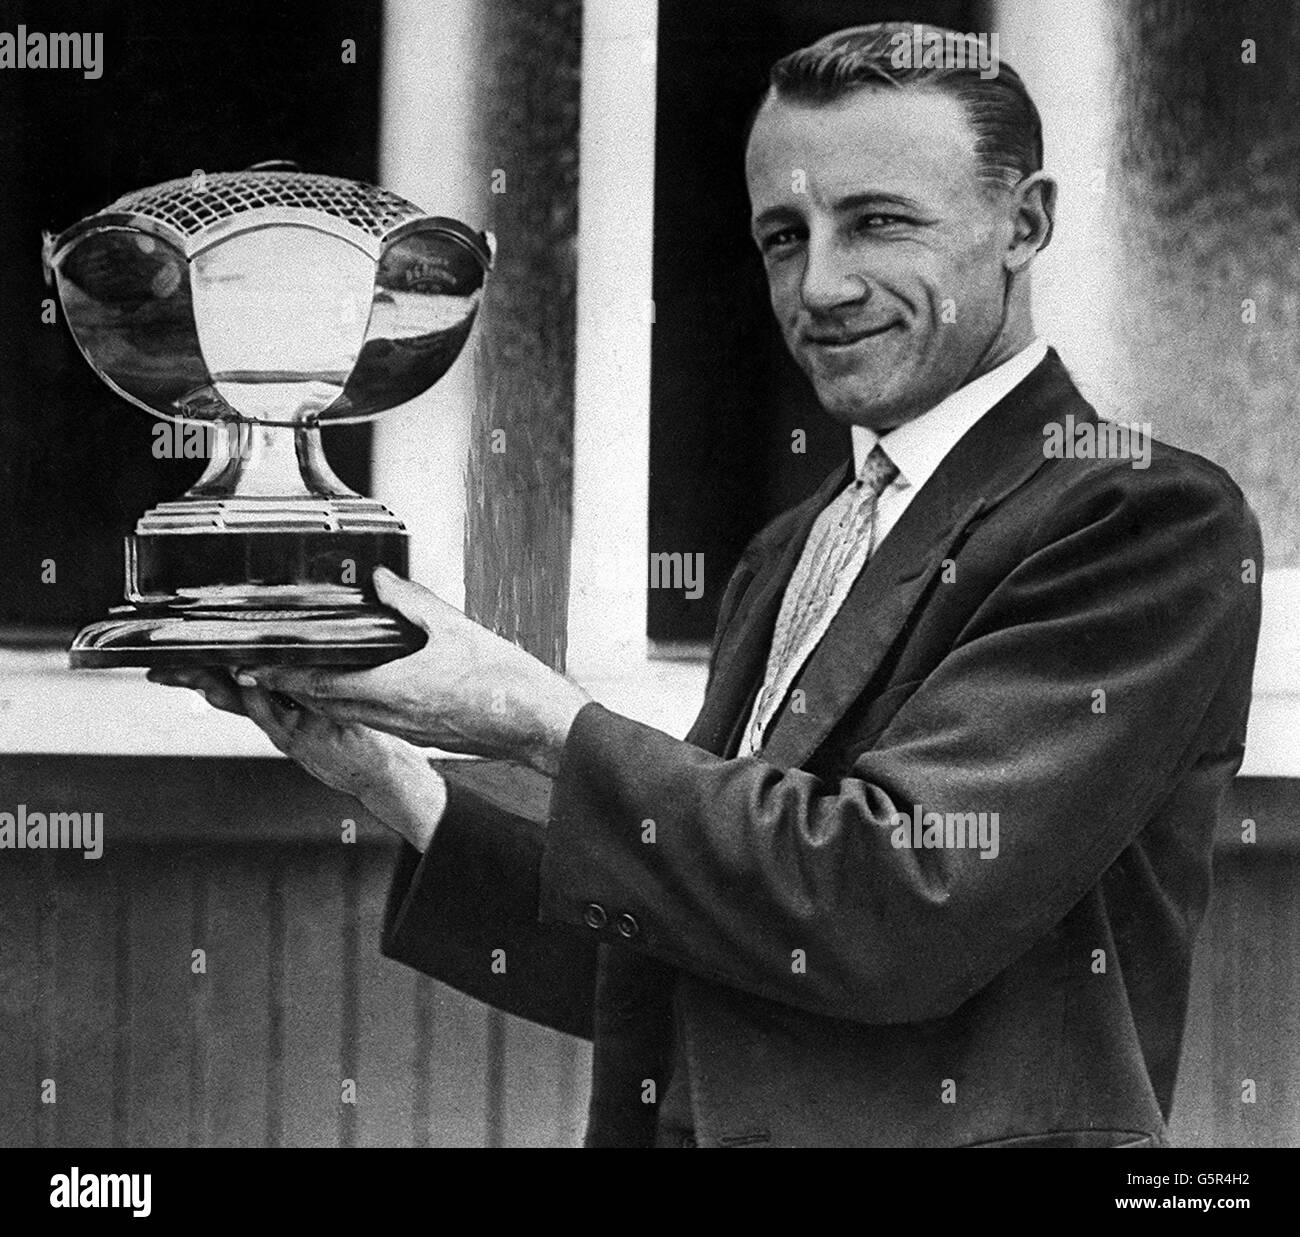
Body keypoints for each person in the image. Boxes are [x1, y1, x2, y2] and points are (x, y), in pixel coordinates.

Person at [152, 23, 1263, 1148]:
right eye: (783, 236)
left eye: (878, 221)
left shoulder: (1140, 514)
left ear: (1024, 223)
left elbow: (897, 904)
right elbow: (699, 942)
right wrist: (387, 775)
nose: (819, 285)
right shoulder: (796, 545)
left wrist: (531, 713)